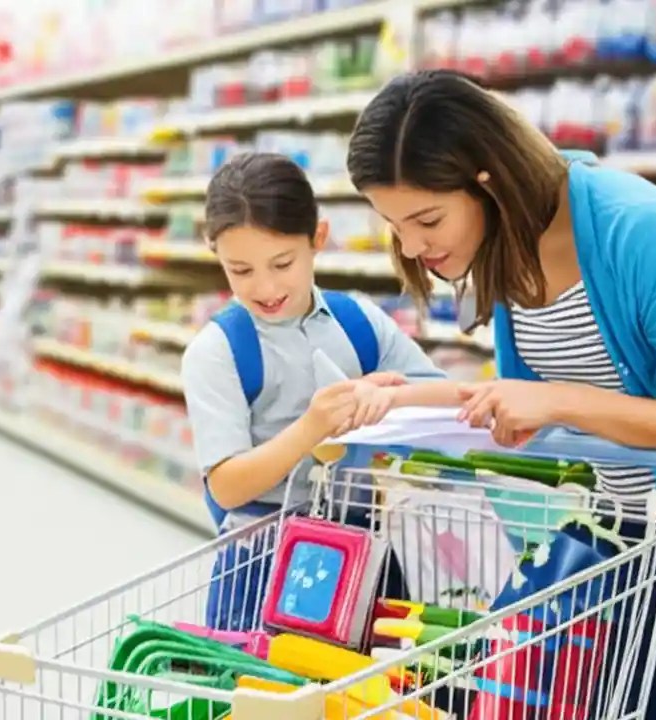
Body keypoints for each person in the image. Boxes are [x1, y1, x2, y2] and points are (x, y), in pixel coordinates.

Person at [346, 68, 656, 716]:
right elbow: (525, 401)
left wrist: (556, 403)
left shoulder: (636, 231)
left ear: (487, 181)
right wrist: (402, 398)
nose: (411, 245)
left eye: (426, 218)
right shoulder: (508, 248)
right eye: (392, 223)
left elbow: (557, 400)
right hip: (626, 551)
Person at [181, 152, 457, 630]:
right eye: (240, 271)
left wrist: (389, 392)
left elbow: (450, 396)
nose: (265, 286)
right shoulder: (217, 351)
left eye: (282, 263)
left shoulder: (359, 322)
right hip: (261, 563)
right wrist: (312, 427)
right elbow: (225, 485)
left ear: (318, 240)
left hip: (368, 550)